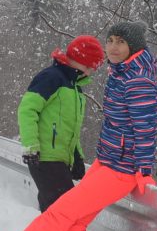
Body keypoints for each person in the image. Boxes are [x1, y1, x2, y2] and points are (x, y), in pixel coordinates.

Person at [7, 22, 157, 231]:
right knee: (75, 220)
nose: (112, 47)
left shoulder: (138, 80)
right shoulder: (120, 73)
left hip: (122, 168)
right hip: (107, 160)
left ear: (133, 47)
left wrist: (143, 169)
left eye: (120, 42)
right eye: (110, 40)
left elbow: (145, 129)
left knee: (63, 211)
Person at [18, 35, 105, 212]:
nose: (90, 72)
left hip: (59, 159)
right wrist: (30, 146)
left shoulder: (75, 88)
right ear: (81, 62)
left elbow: (69, 128)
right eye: (90, 67)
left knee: (55, 210)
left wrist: (76, 156)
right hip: (44, 156)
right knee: (65, 210)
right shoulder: (51, 78)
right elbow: (27, 110)